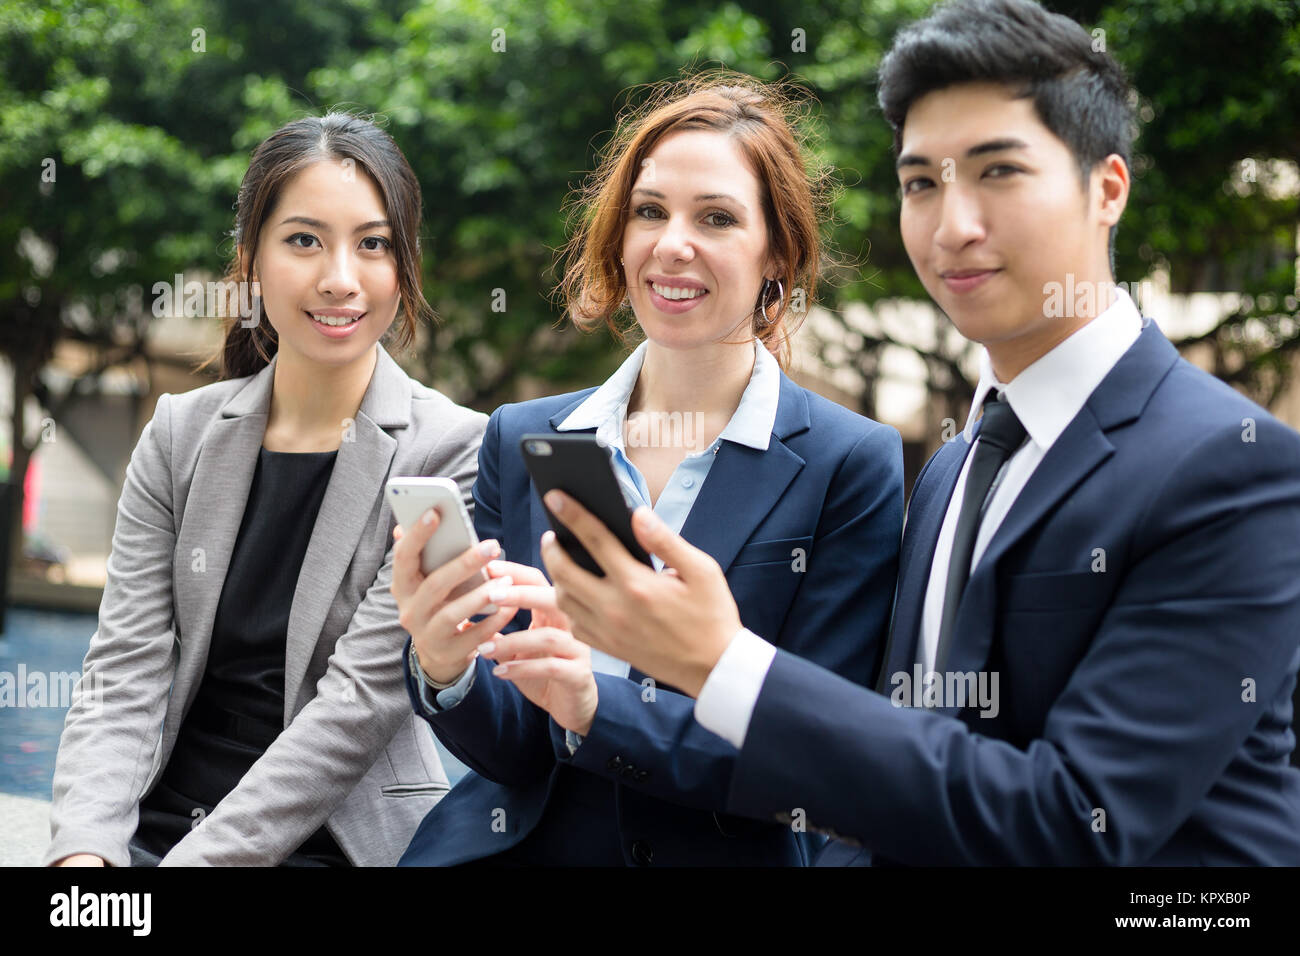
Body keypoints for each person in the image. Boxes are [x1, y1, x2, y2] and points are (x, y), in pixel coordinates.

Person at [536, 0, 1300, 865]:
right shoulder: (953, 466)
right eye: (921, 183)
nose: (952, 225)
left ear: (1107, 189)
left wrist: (723, 663)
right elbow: (889, 766)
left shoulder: (1231, 469)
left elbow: (1071, 823)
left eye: (998, 172)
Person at [391, 74, 904, 866]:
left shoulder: (848, 463)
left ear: (777, 251)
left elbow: (808, 754)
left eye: (718, 218)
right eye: (650, 211)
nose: (672, 244)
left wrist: (597, 707)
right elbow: (515, 752)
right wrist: (446, 666)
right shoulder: (523, 437)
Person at [44, 113, 486, 867]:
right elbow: (122, 672)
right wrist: (84, 857)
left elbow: (356, 709)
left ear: (403, 265)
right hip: (158, 822)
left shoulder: (450, 452)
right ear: (251, 260)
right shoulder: (180, 434)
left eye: (373, 244)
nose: (339, 277)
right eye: (304, 240)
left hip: (334, 839)